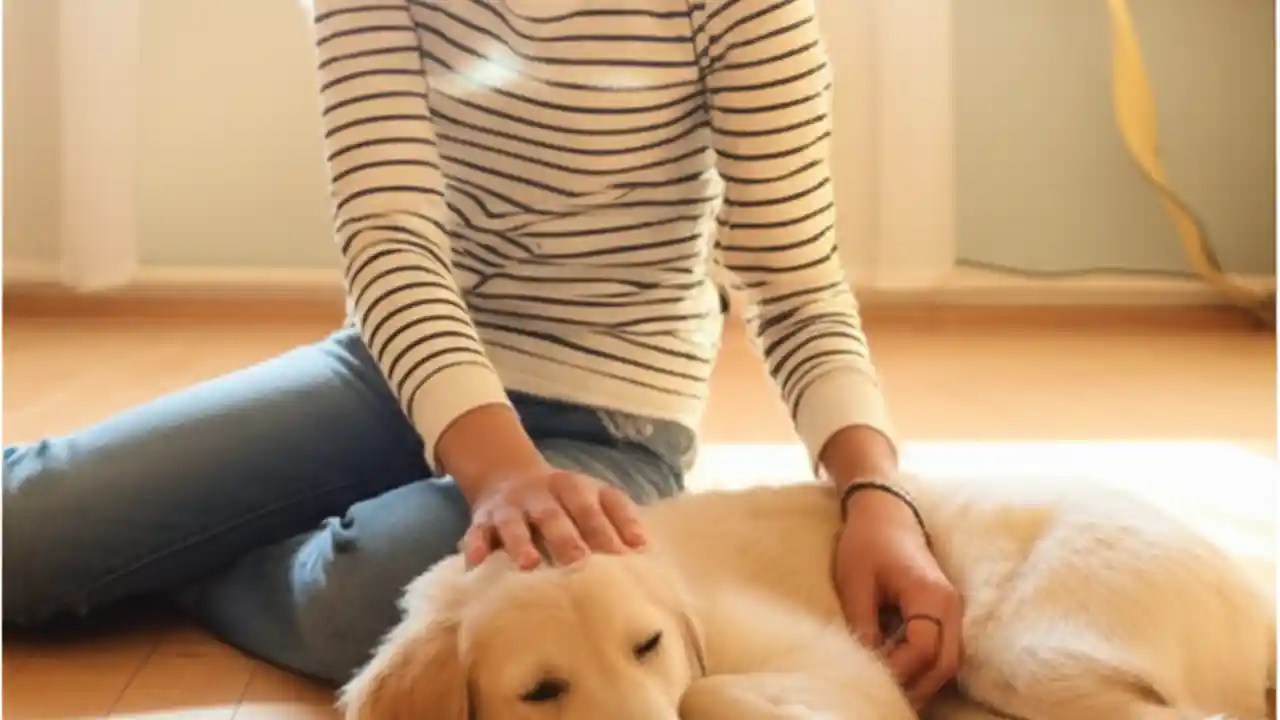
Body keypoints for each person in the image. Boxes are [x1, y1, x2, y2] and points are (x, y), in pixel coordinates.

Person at [3, 0, 962, 709]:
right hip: (390, 369)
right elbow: (392, 241)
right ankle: (172, 538)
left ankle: (183, 558)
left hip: (612, 422)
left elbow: (793, 280)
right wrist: (497, 472)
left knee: (369, 598)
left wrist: (877, 497)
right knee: (27, 531)